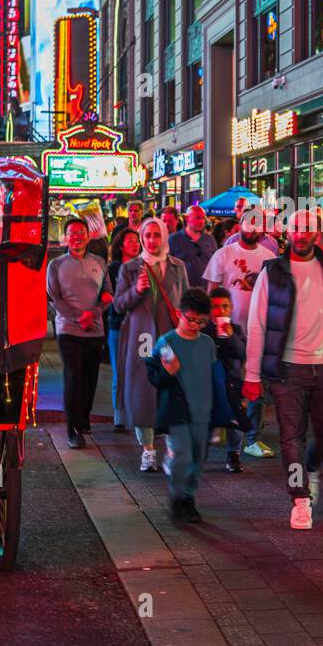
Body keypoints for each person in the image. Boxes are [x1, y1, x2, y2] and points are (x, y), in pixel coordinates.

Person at [244, 209, 323, 530]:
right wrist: (252, 375)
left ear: (318, 233)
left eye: (309, 229)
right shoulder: (272, 273)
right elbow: (257, 324)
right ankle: (300, 497)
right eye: (297, 229)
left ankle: (312, 468)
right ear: (287, 234)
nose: (302, 235)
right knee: (292, 438)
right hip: (287, 369)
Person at [114, 218, 190, 473]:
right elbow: (118, 304)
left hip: (170, 338)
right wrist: (136, 290)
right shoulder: (130, 268)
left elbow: (187, 301)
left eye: (157, 235)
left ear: (164, 237)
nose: (152, 240)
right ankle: (147, 450)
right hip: (140, 338)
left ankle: (171, 448)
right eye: (147, 235)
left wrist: (184, 315)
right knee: (142, 393)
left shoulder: (178, 267)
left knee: (171, 391)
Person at [204, 214, 278, 457]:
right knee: (226, 382)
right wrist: (213, 323)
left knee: (257, 384)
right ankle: (220, 423)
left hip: (259, 329)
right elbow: (211, 293)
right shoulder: (223, 254)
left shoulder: (269, 258)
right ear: (241, 225)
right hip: (228, 331)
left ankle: (252, 438)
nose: (254, 228)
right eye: (250, 223)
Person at [145, 288, 217, 523]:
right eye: (191, 319)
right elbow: (154, 376)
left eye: (202, 321)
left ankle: (189, 497)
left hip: (203, 411)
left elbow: (214, 375)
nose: (195, 325)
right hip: (178, 411)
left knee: (198, 457)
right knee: (182, 456)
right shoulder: (167, 342)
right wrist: (167, 371)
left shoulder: (207, 343)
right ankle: (177, 497)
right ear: (179, 314)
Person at [47, 220, 113, 449]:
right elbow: (54, 297)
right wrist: (78, 317)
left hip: (94, 330)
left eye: (81, 233)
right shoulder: (56, 265)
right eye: (72, 233)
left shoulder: (99, 262)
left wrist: (93, 314)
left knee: (90, 378)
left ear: (88, 237)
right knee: (73, 377)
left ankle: (84, 418)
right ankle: (72, 429)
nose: (77, 237)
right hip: (68, 330)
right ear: (65, 237)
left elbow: (107, 294)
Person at [208, 287, 249, 473]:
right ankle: (201, 451)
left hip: (232, 380)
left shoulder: (237, 329)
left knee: (235, 415)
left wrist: (231, 335)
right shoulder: (204, 329)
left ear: (231, 308)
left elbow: (242, 353)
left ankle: (234, 454)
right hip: (210, 382)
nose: (221, 311)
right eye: (216, 307)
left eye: (225, 306)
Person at [107, 227, 142, 433]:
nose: (135, 244)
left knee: (142, 369)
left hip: (141, 326)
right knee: (119, 370)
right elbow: (113, 299)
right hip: (118, 325)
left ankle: (141, 411)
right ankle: (120, 414)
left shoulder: (145, 265)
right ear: (121, 245)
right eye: (130, 240)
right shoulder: (114, 268)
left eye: (137, 240)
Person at [169, 204, 219, 289]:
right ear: (187, 219)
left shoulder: (209, 239)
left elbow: (216, 264)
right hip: (183, 291)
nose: (201, 222)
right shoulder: (174, 239)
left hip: (206, 291)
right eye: (197, 218)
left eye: (203, 218)